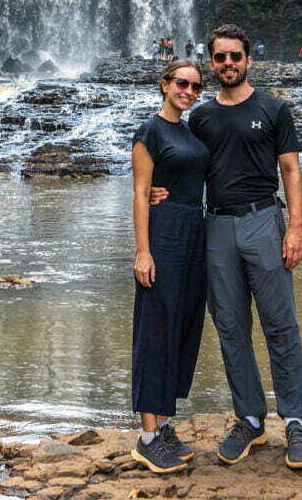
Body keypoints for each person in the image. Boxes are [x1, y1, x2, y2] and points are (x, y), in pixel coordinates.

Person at [178, 24, 302, 469]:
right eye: (220, 58)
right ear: (211, 63)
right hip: (215, 226)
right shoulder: (200, 118)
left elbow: (291, 171)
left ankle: (294, 422)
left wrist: (295, 228)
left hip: (263, 222)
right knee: (232, 328)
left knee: (281, 325)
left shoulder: (274, 109)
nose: (228, 64)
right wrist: (157, 193)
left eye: (235, 56)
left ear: (248, 60)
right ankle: (250, 419)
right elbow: (183, 168)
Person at [129, 59, 209, 474]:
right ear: (164, 85)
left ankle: (163, 426)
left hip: (196, 231)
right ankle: (146, 438)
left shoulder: (190, 131)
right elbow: (142, 193)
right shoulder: (150, 131)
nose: (189, 91)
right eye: (182, 83)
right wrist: (143, 252)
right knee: (156, 327)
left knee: (183, 325)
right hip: (164, 234)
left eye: (196, 86)